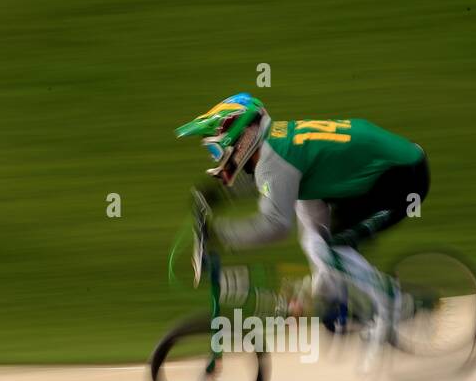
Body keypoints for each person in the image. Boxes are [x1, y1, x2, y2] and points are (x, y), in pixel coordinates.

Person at [175, 93, 429, 364]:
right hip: (376, 170)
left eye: (216, 150)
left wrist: (221, 234)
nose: (217, 158)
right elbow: (272, 182)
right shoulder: (273, 144)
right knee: (310, 231)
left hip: (401, 180)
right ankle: (330, 295)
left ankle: (392, 301)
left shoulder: (273, 161)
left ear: (241, 138)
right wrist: (221, 196)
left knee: (329, 250)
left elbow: (275, 226)